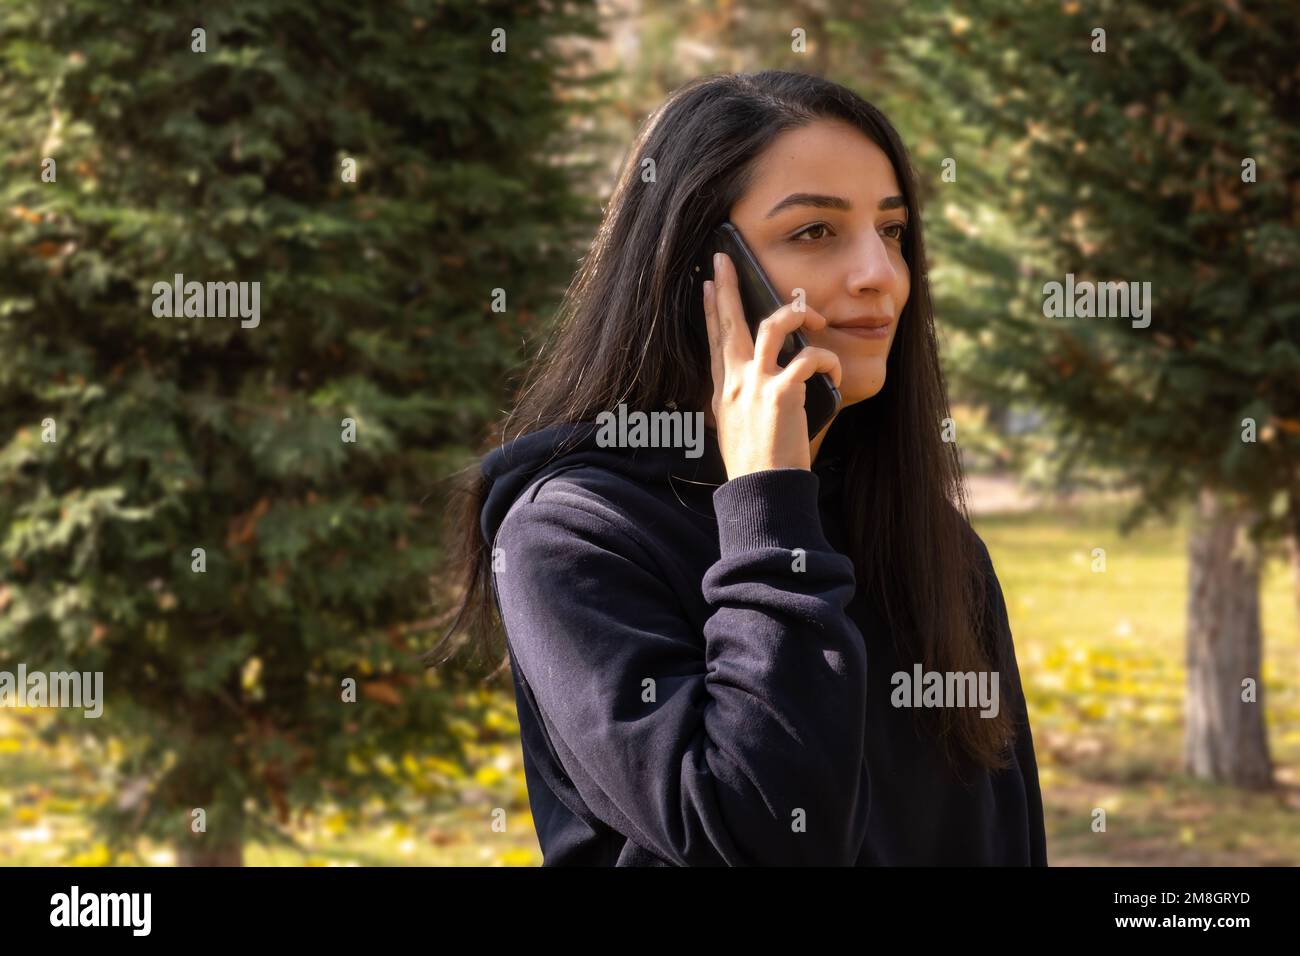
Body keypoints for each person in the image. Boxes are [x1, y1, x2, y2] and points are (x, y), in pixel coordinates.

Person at [432, 70, 1048, 866]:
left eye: (892, 232)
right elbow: (763, 834)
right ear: (704, 269)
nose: (880, 274)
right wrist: (767, 505)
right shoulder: (572, 535)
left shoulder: (934, 543)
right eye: (817, 233)